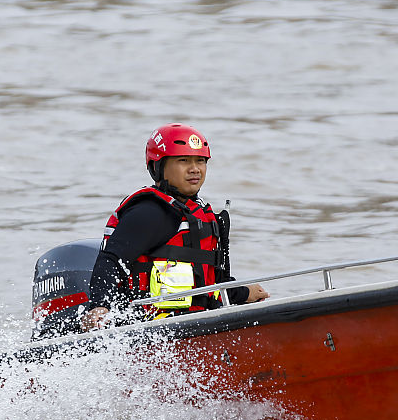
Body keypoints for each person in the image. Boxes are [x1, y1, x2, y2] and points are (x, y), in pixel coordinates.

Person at [83, 123, 268, 329]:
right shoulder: (149, 212)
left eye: (200, 161)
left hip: (197, 321)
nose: (195, 169)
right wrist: (100, 306)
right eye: (183, 160)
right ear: (157, 167)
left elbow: (210, 283)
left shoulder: (197, 215)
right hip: (154, 327)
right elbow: (110, 261)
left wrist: (244, 293)